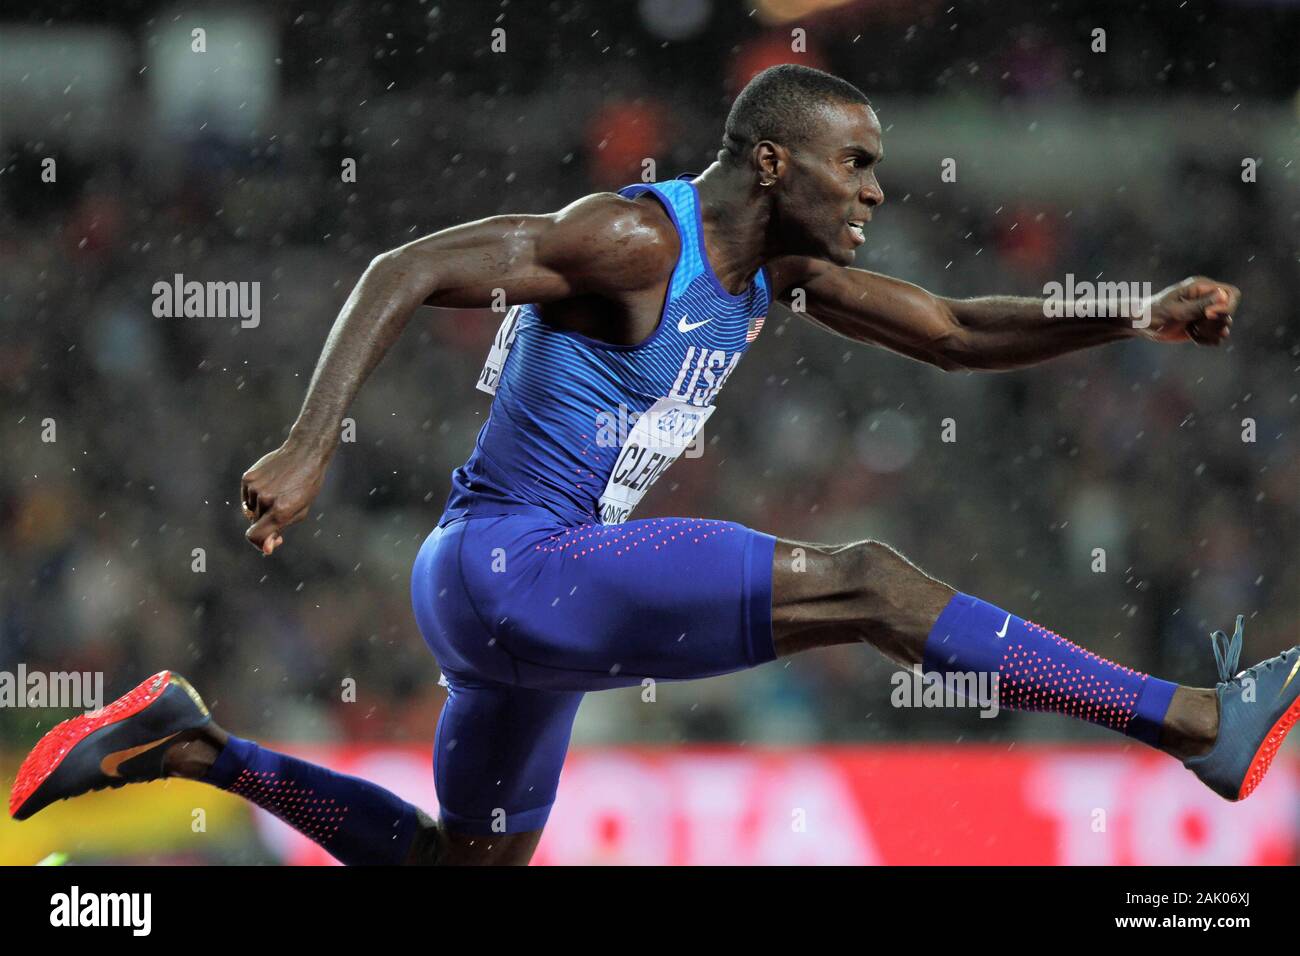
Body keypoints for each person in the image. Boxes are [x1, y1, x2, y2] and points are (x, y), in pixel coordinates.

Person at [11, 65, 1296, 867]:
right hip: (514, 564)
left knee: (464, 867)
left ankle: (199, 749)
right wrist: (310, 441)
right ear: (775, 161)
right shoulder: (629, 241)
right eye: (857, 164)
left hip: (522, 614)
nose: (875, 192)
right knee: (868, 581)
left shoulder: (779, 271)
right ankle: (1190, 720)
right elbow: (400, 266)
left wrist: (1128, 312)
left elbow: (955, 334)